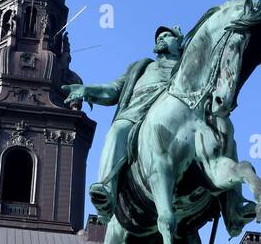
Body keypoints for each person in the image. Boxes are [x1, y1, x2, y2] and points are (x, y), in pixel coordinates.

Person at [63, 25, 185, 222]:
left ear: (180, 42)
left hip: (180, 120)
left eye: (167, 35)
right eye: (159, 36)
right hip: (137, 114)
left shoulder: (189, 67)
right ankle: (106, 187)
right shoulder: (142, 67)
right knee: (117, 131)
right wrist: (86, 90)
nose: (160, 39)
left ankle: (233, 203)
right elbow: (113, 90)